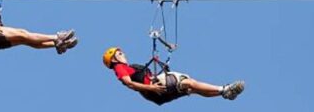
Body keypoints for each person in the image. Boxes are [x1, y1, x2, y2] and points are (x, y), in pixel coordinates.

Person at [102, 47, 244, 105]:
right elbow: (130, 84)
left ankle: (225, 93)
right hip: (155, 91)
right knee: (189, 83)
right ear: (114, 59)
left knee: (192, 88)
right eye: (119, 54)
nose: (123, 54)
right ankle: (224, 89)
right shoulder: (119, 68)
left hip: (156, 95)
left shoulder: (128, 67)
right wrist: (151, 88)